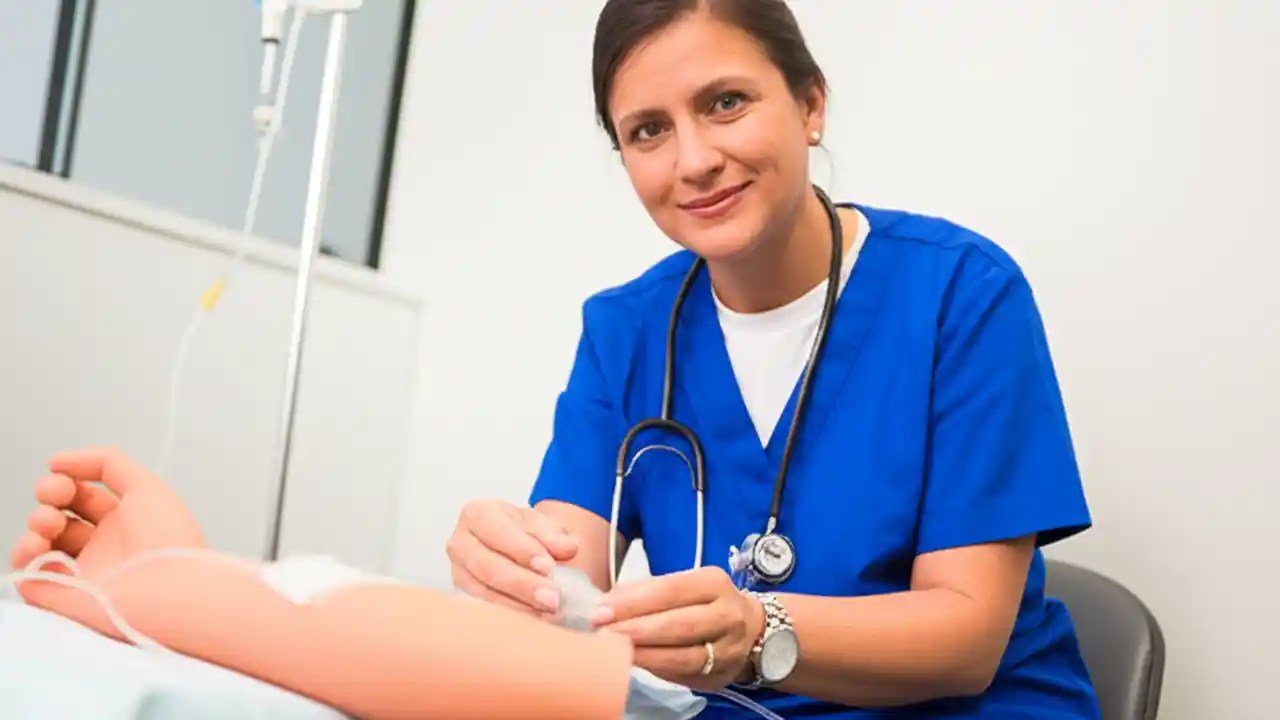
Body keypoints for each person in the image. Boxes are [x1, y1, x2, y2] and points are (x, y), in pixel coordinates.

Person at [445, 1, 1101, 718]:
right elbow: (571, 577)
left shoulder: (960, 294)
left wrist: (760, 631)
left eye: (726, 103)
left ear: (810, 103)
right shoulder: (625, 331)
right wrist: (520, 575)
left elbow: (966, 639)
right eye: (649, 131)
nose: (693, 161)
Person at [8, 447, 634, 720]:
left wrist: (170, 588)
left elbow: (572, 681)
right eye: (646, 158)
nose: (694, 165)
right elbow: (560, 618)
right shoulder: (629, 326)